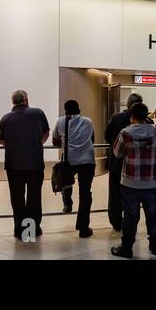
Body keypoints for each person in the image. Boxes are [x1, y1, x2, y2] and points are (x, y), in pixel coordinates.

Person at [110, 103, 156, 258]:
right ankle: (154, 245)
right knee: (152, 215)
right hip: (151, 183)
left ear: (131, 116)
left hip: (130, 182)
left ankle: (127, 248)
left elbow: (117, 154)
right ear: (146, 115)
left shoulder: (125, 133)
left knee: (130, 216)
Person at [0, 90, 49, 241]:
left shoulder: (5, 118)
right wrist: (37, 143)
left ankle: (19, 229)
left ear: (13, 101)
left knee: (17, 197)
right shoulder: (38, 113)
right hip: (34, 163)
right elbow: (46, 132)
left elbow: (2, 141)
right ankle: (31, 230)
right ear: (26, 100)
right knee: (34, 197)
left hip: (13, 165)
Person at [53, 100, 96, 237]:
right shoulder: (88, 121)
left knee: (66, 182)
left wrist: (65, 142)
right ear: (79, 109)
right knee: (85, 194)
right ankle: (83, 228)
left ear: (65, 110)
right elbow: (92, 139)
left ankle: (67, 204)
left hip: (70, 159)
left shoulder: (61, 122)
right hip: (87, 161)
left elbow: (54, 141)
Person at [104, 93, 141, 231]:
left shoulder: (116, 118)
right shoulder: (146, 122)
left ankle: (116, 221)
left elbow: (107, 136)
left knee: (115, 194)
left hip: (116, 163)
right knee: (133, 194)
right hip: (136, 164)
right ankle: (131, 221)